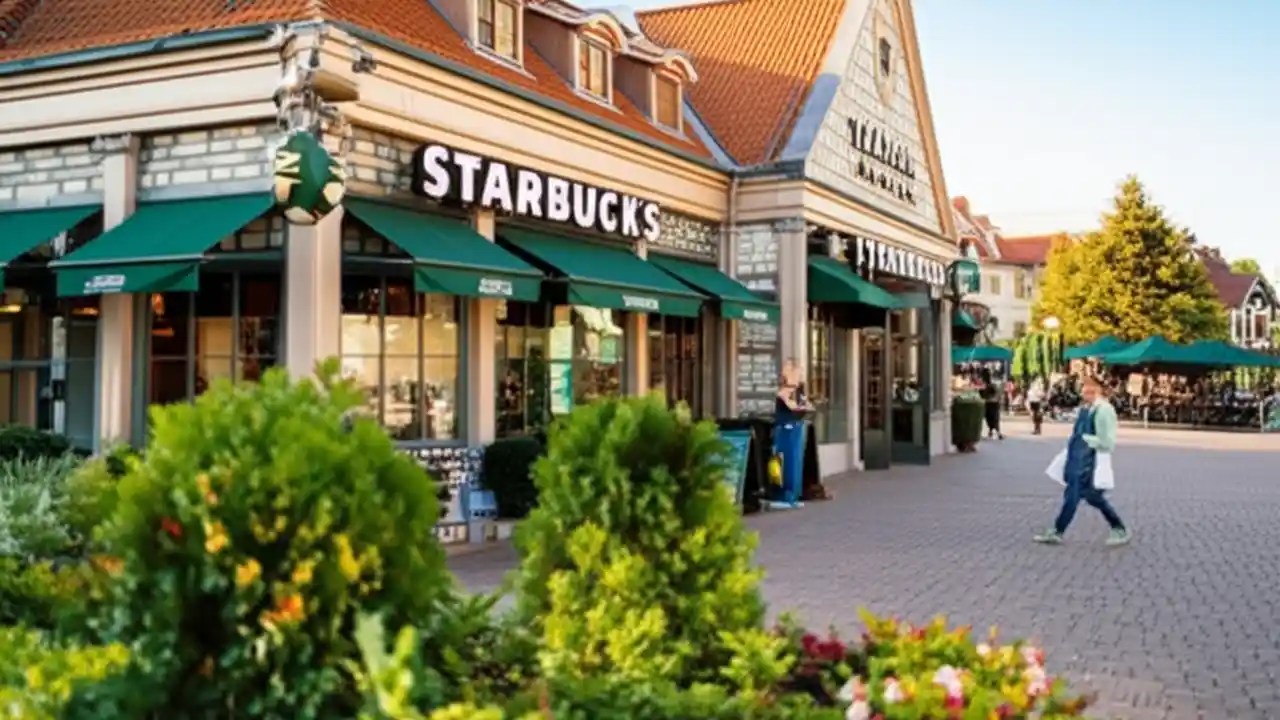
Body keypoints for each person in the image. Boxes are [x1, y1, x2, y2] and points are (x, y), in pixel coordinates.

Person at [1034, 376, 1131, 546]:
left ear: (1097, 389)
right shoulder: (1089, 408)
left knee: (1073, 495)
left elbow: (1107, 442)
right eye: (1084, 386)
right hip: (1077, 459)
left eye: (1087, 387)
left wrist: (1086, 440)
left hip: (1088, 462)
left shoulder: (1104, 410)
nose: (1083, 390)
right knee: (1092, 497)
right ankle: (1118, 527)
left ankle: (1058, 530)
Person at [774, 359, 813, 508]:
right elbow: (793, 407)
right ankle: (784, 494)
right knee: (785, 463)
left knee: (795, 463)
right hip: (785, 431)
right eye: (797, 373)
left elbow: (806, 406)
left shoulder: (796, 393)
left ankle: (793, 494)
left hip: (795, 430)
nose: (800, 377)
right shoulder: (783, 394)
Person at [978, 369, 1004, 440]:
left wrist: (983, 392)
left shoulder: (988, 383)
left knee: (991, 417)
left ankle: (996, 432)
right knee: (993, 417)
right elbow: (998, 392)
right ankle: (993, 432)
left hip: (990, 402)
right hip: (993, 402)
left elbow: (991, 392)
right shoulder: (990, 382)